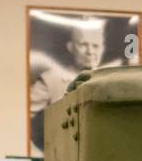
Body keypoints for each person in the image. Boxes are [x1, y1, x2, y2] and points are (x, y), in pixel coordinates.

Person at [29, 19, 106, 153]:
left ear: (102, 48)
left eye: (96, 46)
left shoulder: (109, 81)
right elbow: (24, 119)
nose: (90, 51)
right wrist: (42, 156)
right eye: (83, 44)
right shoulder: (50, 80)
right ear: (71, 46)